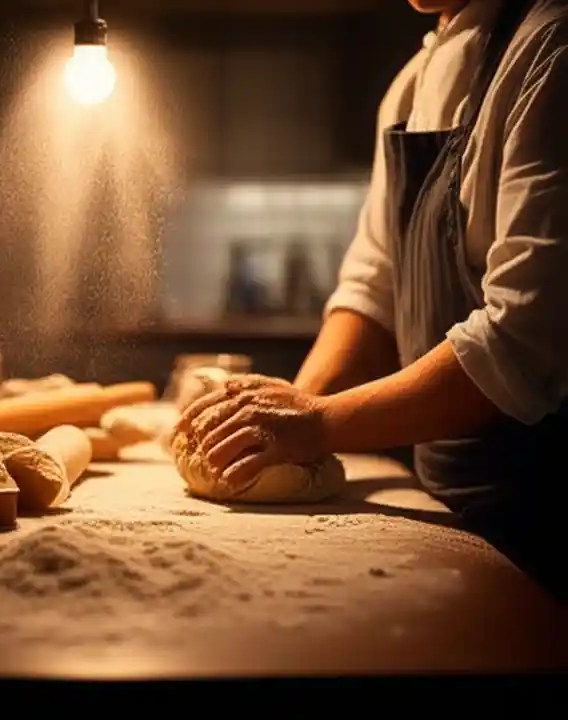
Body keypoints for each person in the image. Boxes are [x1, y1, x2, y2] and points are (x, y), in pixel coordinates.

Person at [177, 0, 568, 599]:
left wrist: (319, 423)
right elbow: (373, 288)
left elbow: (521, 339)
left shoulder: (549, 49)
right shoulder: (410, 89)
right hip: (442, 518)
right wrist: (291, 411)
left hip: (539, 527)